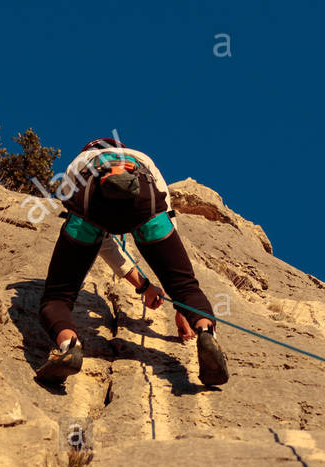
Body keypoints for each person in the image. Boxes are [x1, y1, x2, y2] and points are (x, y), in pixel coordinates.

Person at [36, 138, 228, 387]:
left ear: (90, 151)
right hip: (145, 205)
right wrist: (181, 304)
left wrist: (144, 286)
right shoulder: (141, 158)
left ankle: (69, 346)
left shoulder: (80, 163)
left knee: (57, 298)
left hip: (89, 209)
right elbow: (167, 220)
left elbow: (101, 240)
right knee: (186, 286)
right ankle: (205, 331)